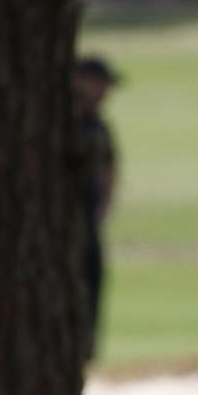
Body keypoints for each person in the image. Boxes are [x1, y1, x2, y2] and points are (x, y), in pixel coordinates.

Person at [73, 56, 120, 356]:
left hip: (87, 226)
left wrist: (103, 207)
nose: (105, 93)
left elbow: (110, 170)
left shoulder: (98, 127)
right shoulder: (66, 123)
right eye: (100, 84)